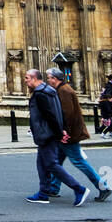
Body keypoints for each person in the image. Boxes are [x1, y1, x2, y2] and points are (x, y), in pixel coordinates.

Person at [24, 69, 91, 206]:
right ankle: (43, 193)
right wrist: (63, 129)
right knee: (42, 165)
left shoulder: (40, 94)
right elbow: (59, 111)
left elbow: (50, 115)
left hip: (46, 134)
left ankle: (79, 189)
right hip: (48, 134)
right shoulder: (50, 90)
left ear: (35, 78)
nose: (25, 81)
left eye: (27, 78)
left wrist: (60, 133)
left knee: (52, 165)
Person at [45, 70, 111, 202]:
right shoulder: (62, 89)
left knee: (79, 161)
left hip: (69, 134)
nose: (47, 80)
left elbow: (67, 114)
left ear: (55, 78)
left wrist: (65, 132)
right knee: (56, 162)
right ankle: (53, 188)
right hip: (66, 133)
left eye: (49, 78)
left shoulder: (64, 91)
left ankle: (103, 187)